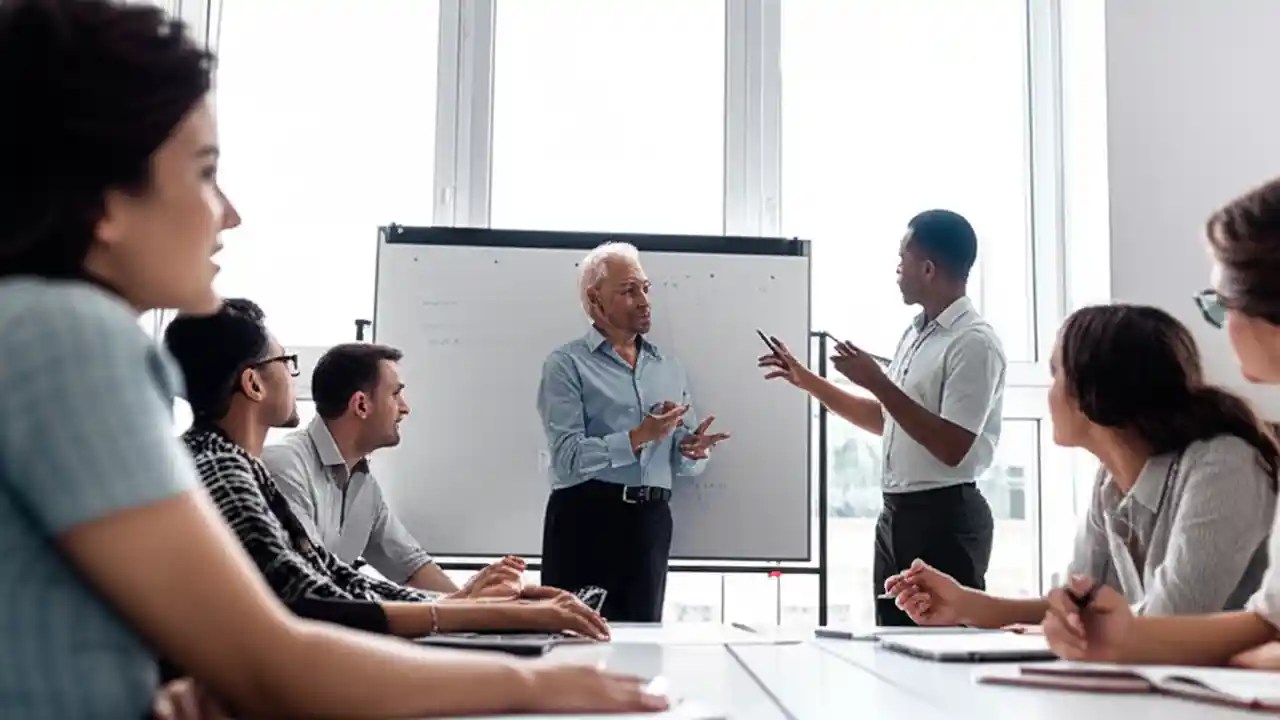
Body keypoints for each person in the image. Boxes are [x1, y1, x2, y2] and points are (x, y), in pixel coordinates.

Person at [0, 1, 665, 717]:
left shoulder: (31, 329)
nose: (228, 213)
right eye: (202, 173)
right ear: (108, 199)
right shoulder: (70, 339)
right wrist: (532, 683)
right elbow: (275, 649)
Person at [164, 298, 610, 640]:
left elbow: (334, 576)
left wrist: (475, 604)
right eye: (286, 363)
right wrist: (478, 612)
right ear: (254, 382)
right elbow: (311, 596)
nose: (406, 408)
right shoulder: (226, 468)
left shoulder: (242, 466)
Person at [884, 304, 1277, 628]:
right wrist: (967, 605)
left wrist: (1069, 630)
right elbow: (1077, 605)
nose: (1048, 391)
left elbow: (1171, 618)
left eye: (1055, 373)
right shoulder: (1109, 482)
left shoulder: (1223, 464)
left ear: (1095, 389)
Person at [1043, 177, 1280, 669]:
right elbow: (1267, 623)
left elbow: (1250, 631)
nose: (1222, 326)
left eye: (1220, 305)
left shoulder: (1227, 462)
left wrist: (1126, 638)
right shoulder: (1109, 485)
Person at [759, 209, 1005, 625]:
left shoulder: (974, 342)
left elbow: (952, 447)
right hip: (897, 515)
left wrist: (877, 382)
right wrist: (806, 380)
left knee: (940, 650)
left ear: (927, 268)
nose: (897, 269)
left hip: (944, 517)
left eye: (902, 258)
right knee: (893, 642)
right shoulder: (915, 333)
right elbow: (886, 419)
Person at [537, 241, 730, 622]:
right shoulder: (566, 364)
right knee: (573, 645)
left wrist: (692, 451)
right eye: (628, 290)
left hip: (650, 522)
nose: (644, 300)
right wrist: (638, 436)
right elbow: (566, 458)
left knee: (642, 645)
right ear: (596, 300)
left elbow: (679, 458)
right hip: (585, 518)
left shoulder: (668, 367)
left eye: (645, 288)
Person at [264, 342, 469, 592]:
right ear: (361, 405)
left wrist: (471, 600)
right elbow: (313, 578)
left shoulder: (364, 486)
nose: (404, 408)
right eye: (395, 394)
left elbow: (412, 567)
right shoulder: (283, 467)